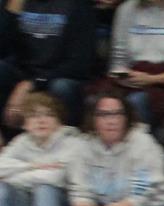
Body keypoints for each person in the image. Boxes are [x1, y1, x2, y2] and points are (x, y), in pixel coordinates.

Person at [0, 0, 95, 128]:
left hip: (60, 76)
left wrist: (33, 83)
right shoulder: (17, 3)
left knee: (61, 87)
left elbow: (79, 63)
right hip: (24, 73)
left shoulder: (78, 5)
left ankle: (67, 137)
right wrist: (10, 13)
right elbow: (3, 49)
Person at [107, 0, 164, 126]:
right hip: (132, 80)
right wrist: (123, 75)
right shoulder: (127, 9)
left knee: (136, 101)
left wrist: (153, 79)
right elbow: (118, 58)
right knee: (103, 103)